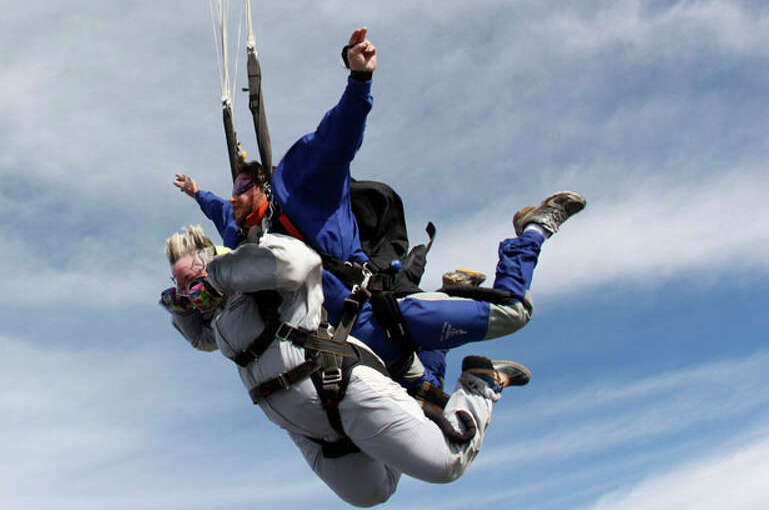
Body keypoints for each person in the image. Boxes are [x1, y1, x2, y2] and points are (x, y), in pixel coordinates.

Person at [173, 27, 586, 389]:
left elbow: (337, 138)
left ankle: (532, 231)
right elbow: (220, 212)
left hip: (379, 311)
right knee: (428, 400)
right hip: (348, 345)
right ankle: (450, 292)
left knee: (512, 313)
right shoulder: (247, 238)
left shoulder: (301, 184)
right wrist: (197, 194)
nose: (234, 196)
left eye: (242, 185)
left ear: (263, 182)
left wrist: (358, 79)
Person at [159, 225, 528, 507]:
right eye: (181, 290)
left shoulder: (254, 281)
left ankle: (481, 383)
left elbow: (300, 263)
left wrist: (219, 273)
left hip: (339, 385)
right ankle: (406, 404)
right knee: (371, 493)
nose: (192, 296)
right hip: (311, 428)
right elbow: (201, 340)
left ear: (215, 263)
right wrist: (178, 306)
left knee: (445, 463)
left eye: (191, 283)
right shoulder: (221, 319)